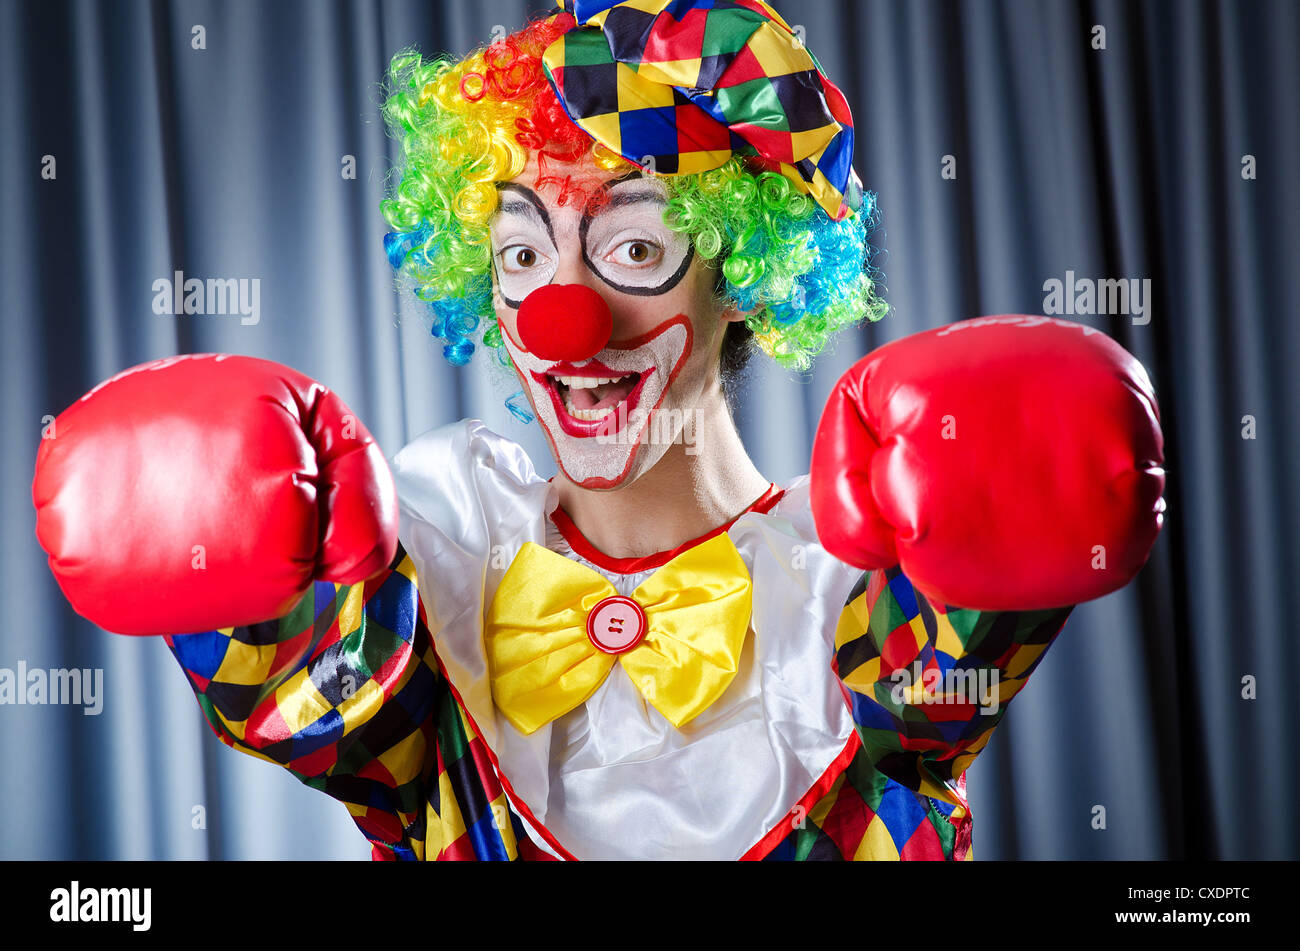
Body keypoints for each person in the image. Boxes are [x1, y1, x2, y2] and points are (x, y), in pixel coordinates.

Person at [32, 0, 1165, 861]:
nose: (564, 319)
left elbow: (926, 698)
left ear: (748, 274)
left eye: (632, 251)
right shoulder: (437, 567)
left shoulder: (855, 587)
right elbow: (323, 713)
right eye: (521, 256)